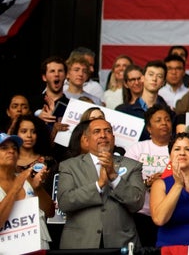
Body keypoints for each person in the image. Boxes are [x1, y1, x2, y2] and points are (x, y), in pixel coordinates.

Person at [58, 117, 147, 248]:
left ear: (113, 138)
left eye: (107, 131)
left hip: (120, 243)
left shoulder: (132, 165)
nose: (103, 135)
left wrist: (114, 177)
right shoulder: (69, 166)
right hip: (80, 243)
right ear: (86, 140)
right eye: (97, 131)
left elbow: (137, 202)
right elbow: (64, 202)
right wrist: (98, 185)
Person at [127, 104, 175, 245]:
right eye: (158, 120)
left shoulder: (178, 148)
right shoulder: (137, 148)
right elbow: (125, 181)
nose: (164, 123)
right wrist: (147, 183)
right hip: (141, 215)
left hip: (171, 213)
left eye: (167, 120)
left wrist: (163, 182)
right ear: (149, 128)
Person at [0, 132, 51, 251]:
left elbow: (50, 212)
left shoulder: (26, 178)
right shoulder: (21, 180)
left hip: (37, 248)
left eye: (14, 148)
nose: (11, 151)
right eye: (3, 148)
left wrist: (38, 188)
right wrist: (16, 187)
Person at [9, 115, 56, 219]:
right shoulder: (8, 162)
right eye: (24, 131)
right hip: (12, 216)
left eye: (33, 132)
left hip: (43, 216)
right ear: (16, 134)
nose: (29, 135)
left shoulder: (48, 161)